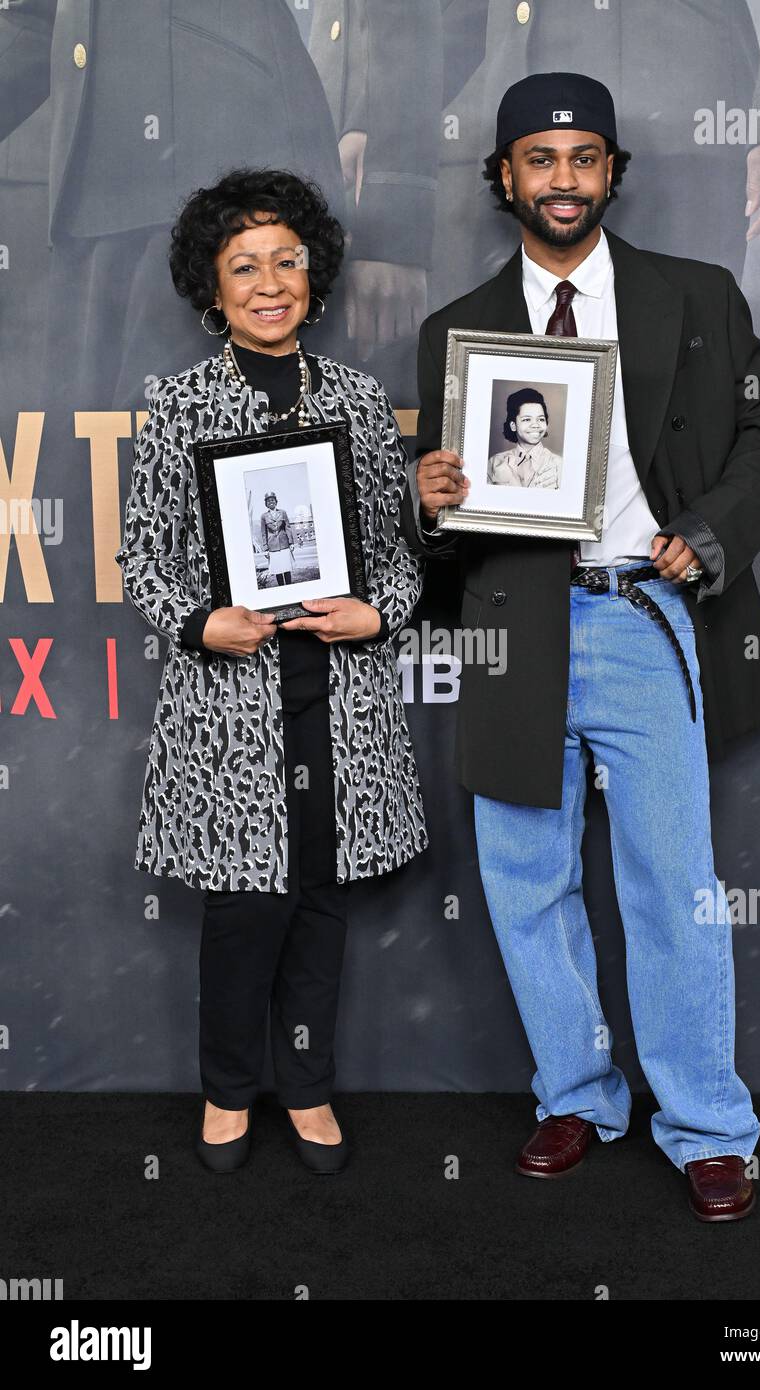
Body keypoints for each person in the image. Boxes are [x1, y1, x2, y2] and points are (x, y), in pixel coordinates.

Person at [406, 73, 760, 1221]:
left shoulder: (696, 295)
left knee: (672, 888)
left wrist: (707, 534)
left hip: (641, 614)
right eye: (539, 158)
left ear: (612, 171)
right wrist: (428, 501)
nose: (563, 178)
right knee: (527, 882)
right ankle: (574, 1092)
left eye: (584, 157)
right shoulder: (454, 330)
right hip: (507, 627)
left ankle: (708, 1125)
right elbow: (439, 531)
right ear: (504, 179)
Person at [115, 167, 427, 1175]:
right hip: (230, 700)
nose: (267, 283)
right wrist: (202, 622)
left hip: (337, 697)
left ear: (314, 274)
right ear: (212, 289)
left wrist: (377, 608)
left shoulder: (356, 397)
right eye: (242, 266)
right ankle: (226, 1087)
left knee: (322, 900)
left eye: (285, 261)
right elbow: (142, 558)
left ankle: (308, 1086)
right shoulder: (179, 404)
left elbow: (395, 554)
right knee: (245, 907)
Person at [487, 388, 563, 488]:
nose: (536, 425)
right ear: (513, 425)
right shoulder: (495, 462)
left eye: (541, 419)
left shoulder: (559, 464)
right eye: (527, 419)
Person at [260, 491, 296, 585]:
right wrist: (265, 548)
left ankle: (289, 587)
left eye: (272, 500)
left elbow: (288, 527)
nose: (271, 502)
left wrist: (291, 542)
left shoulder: (283, 513)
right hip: (273, 547)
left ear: (276, 501)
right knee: (278, 571)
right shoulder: (264, 516)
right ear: (266, 504)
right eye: (268, 501)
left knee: (287, 569)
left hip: (284, 545)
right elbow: (263, 533)